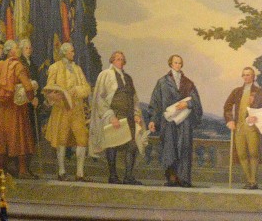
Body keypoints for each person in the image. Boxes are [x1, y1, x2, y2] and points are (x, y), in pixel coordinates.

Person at [147, 55, 203, 187]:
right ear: (170, 64)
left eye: (179, 63)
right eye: (175, 63)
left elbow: (196, 102)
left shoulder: (188, 83)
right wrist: (153, 120)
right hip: (169, 121)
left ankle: (183, 179)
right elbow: (156, 103)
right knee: (169, 148)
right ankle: (171, 178)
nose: (177, 65)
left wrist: (187, 105)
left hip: (184, 121)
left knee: (184, 148)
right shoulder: (162, 82)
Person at [88, 51, 141, 185]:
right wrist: (110, 116)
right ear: (112, 61)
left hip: (128, 117)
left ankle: (128, 176)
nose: (120, 61)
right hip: (114, 116)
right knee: (112, 146)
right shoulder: (106, 75)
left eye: (122, 59)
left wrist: (136, 114)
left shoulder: (128, 78)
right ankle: (113, 176)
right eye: (117, 59)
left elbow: (134, 98)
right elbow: (100, 98)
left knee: (132, 146)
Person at [43, 41, 92, 182]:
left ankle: (80, 173)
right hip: (61, 109)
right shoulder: (55, 68)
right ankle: (61, 171)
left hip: (77, 109)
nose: (73, 54)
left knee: (82, 139)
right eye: (71, 51)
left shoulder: (77, 69)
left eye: (73, 51)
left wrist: (77, 90)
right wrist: (56, 94)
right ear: (65, 52)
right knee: (61, 139)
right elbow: (49, 89)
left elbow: (86, 88)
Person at [223, 66, 262, 190]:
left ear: (253, 77)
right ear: (242, 77)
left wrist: (257, 117)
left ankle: (253, 181)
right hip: (239, 128)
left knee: (253, 153)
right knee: (241, 154)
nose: (246, 77)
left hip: (253, 128)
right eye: (244, 75)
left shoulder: (259, 91)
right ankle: (249, 180)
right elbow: (227, 107)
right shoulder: (236, 91)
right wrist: (230, 120)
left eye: (249, 75)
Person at [0, 39, 38, 179]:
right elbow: (28, 86)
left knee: (2, 139)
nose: (19, 50)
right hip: (16, 109)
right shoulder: (18, 66)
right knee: (20, 137)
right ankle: (22, 171)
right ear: (12, 51)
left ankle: (1, 170)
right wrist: (32, 99)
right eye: (17, 48)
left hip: (1, 109)